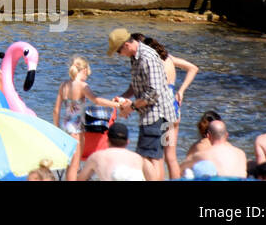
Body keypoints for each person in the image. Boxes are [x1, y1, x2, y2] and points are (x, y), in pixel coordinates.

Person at [107, 27, 173, 181]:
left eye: (117, 51)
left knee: (145, 157)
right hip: (156, 115)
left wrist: (132, 106)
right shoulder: (135, 57)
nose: (118, 55)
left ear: (126, 45)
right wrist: (123, 97)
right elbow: (136, 85)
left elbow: (153, 92)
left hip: (156, 115)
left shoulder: (146, 57)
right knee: (155, 158)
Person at [129, 33, 197, 180]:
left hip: (160, 111)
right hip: (174, 110)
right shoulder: (169, 58)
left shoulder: (151, 62)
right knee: (171, 157)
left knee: (157, 157)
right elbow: (193, 68)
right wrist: (181, 90)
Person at [53, 56, 118, 137]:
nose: (86, 78)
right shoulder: (83, 86)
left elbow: (56, 110)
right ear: (84, 70)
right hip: (76, 129)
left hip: (65, 127)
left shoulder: (63, 85)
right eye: (87, 75)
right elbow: (96, 100)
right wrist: (117, 105)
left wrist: (56, 129)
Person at [73, 122, 149, 181]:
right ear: (127, 142)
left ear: (107, 140)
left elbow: (80, 179)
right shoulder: (138, 158)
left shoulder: (96, 156)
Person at [182, 119, 247, 178]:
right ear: (227, 135)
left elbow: (180, 170)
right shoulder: (241, 153)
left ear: (208, 136)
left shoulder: (202, 155)